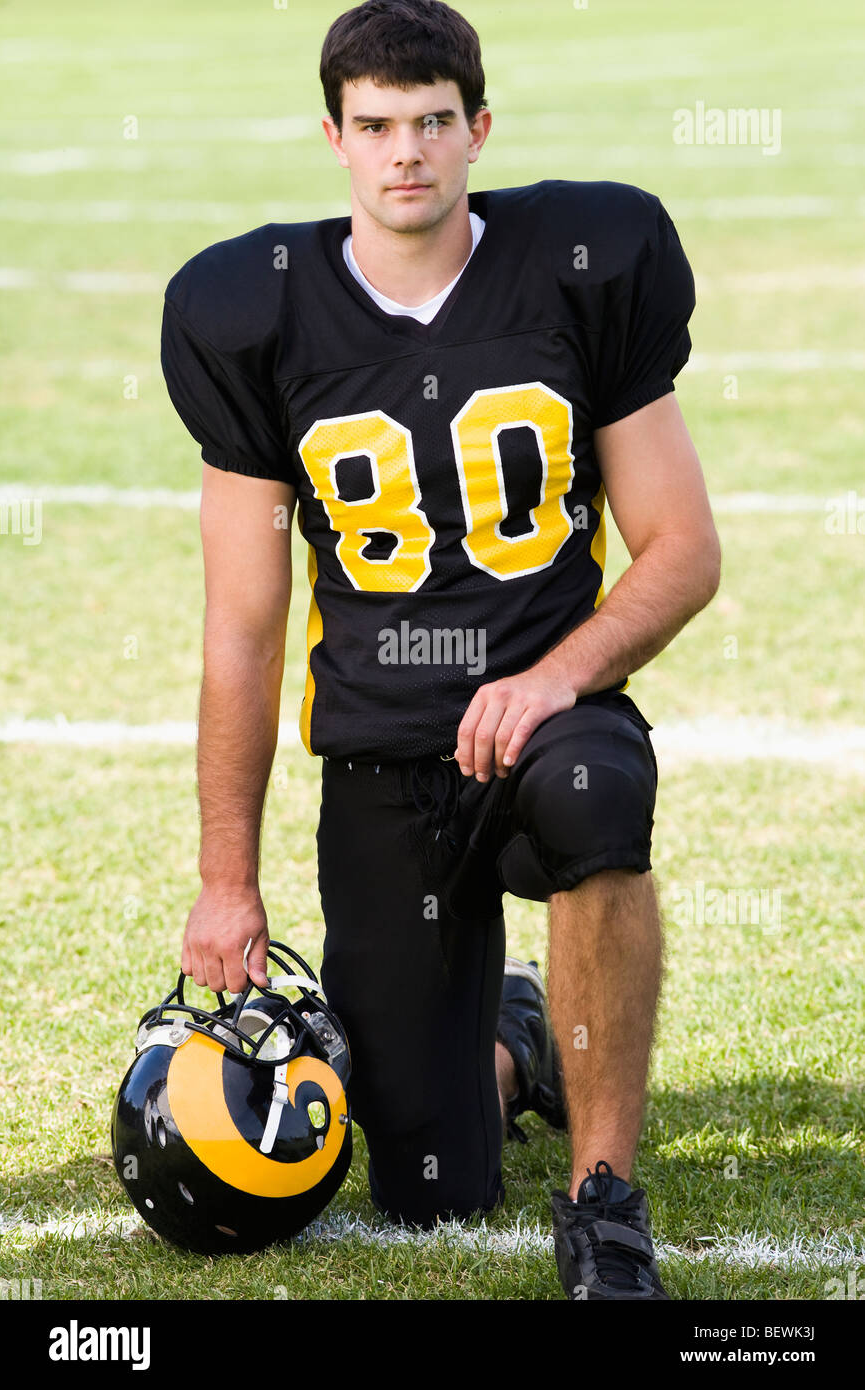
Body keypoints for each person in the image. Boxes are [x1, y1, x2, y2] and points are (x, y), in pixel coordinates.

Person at [160, 0, 721, 1300]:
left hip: (542, 720)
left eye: (429, 121)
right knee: (423, 1184)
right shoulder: (252, 308)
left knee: (596, 790)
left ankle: (601, 1197)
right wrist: (224, 881)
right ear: (334, 137)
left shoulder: (586, 256)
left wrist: (554, 676)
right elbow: (240, 632)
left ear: (477, 127)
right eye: (375, 125)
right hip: (378, 757)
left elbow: (679, 547)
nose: (403, 150)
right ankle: (515, 1036)